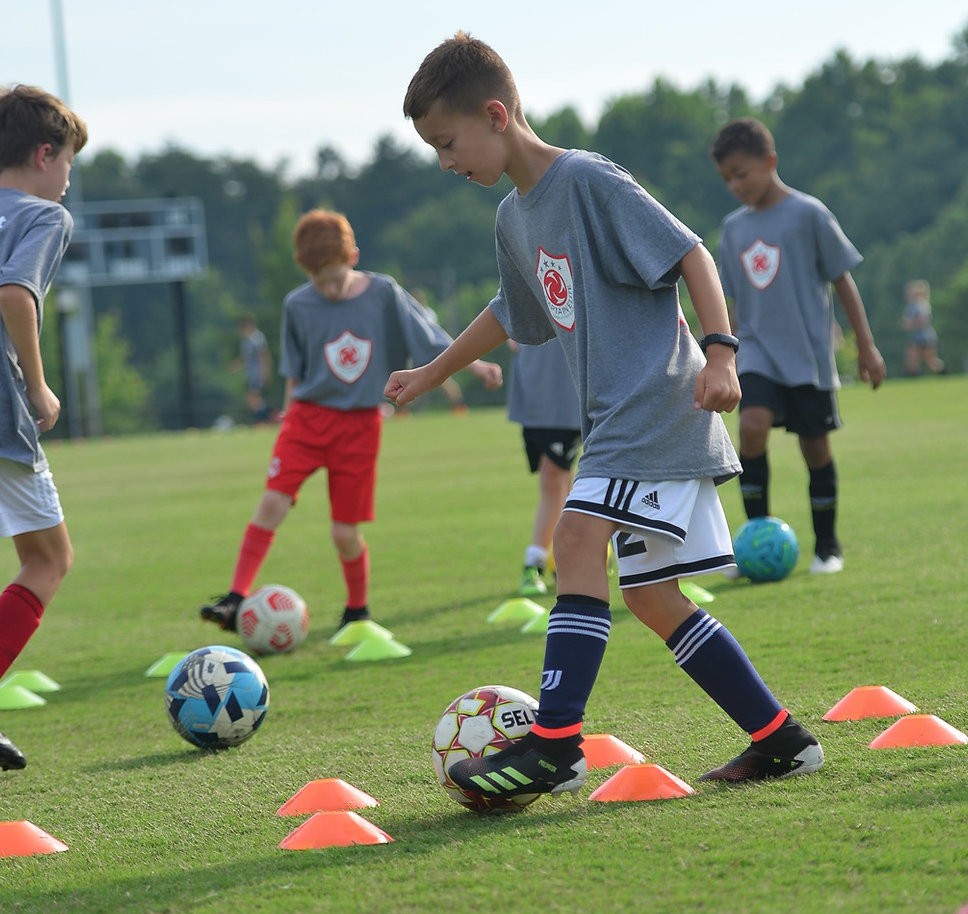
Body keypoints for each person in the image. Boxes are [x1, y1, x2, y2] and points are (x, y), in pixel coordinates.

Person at [386, 32, 824, 800]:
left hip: (657, 402)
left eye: (448, 142)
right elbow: (509, 312)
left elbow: (693, 253)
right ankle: (781, 739)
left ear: (497, 115)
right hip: (621, 416)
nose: (446, 162)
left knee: (575, 536)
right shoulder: (512, 220)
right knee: (652, 599)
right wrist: (432, 371)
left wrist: (722, 354)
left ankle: (556, 746)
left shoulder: (587, 178)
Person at [198, 209, 502, 634]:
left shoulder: (384, 293)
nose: (328, 289)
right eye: (319, 282)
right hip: (306, 421)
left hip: (360, 426)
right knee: (272, 503)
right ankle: (233, 600)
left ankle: (357, 611)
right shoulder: (298, 304)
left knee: (344, 532)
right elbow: (295, 372)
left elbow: (430, 336)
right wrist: (288, 425)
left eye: (335, 279)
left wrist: (477, 366)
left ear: (354, 256)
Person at [710, 117, 886, 577]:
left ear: (770, 162)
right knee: (751, 428)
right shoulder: (732, 230)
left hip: (807, 357)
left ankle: (827, 546)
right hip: (756, 352)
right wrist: (720, 355)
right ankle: (754, 542)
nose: (735, 185)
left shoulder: (809, 214)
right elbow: (726, 300)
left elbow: (842, 280)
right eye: (727, 178)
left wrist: (866, 346)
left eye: (741, 173)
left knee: (815, 448)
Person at [0, 84, 87, 771]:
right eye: (68, 164)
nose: (67, 182)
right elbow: (14, 293)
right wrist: (36, 383)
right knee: (48, 558)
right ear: (43, 154)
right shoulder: (44, 216)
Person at [507, 339, 581, 597]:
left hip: (567, 391)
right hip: (536, 385)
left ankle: (535, 562)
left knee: (554, 476)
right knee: (560, 479)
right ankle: (570, 556)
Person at [233, 316, 272, 423]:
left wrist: (265, 372)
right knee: (251, 399)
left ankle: (266, 419)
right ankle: (267, 418)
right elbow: (246, 359)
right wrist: (236, 366)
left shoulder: (257, 338)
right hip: (251, 375)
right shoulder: (246, 341)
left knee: (252, 397)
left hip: (257, 374)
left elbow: (264, 355)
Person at [901, 279, 944, 376]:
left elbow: (923, 321)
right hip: (915, 336)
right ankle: (913, 382)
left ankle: (944, 374)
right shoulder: (911, 306)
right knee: (911, 361)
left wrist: (911, 324)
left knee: (930, 362)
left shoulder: (921, 305)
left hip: (924, 336)